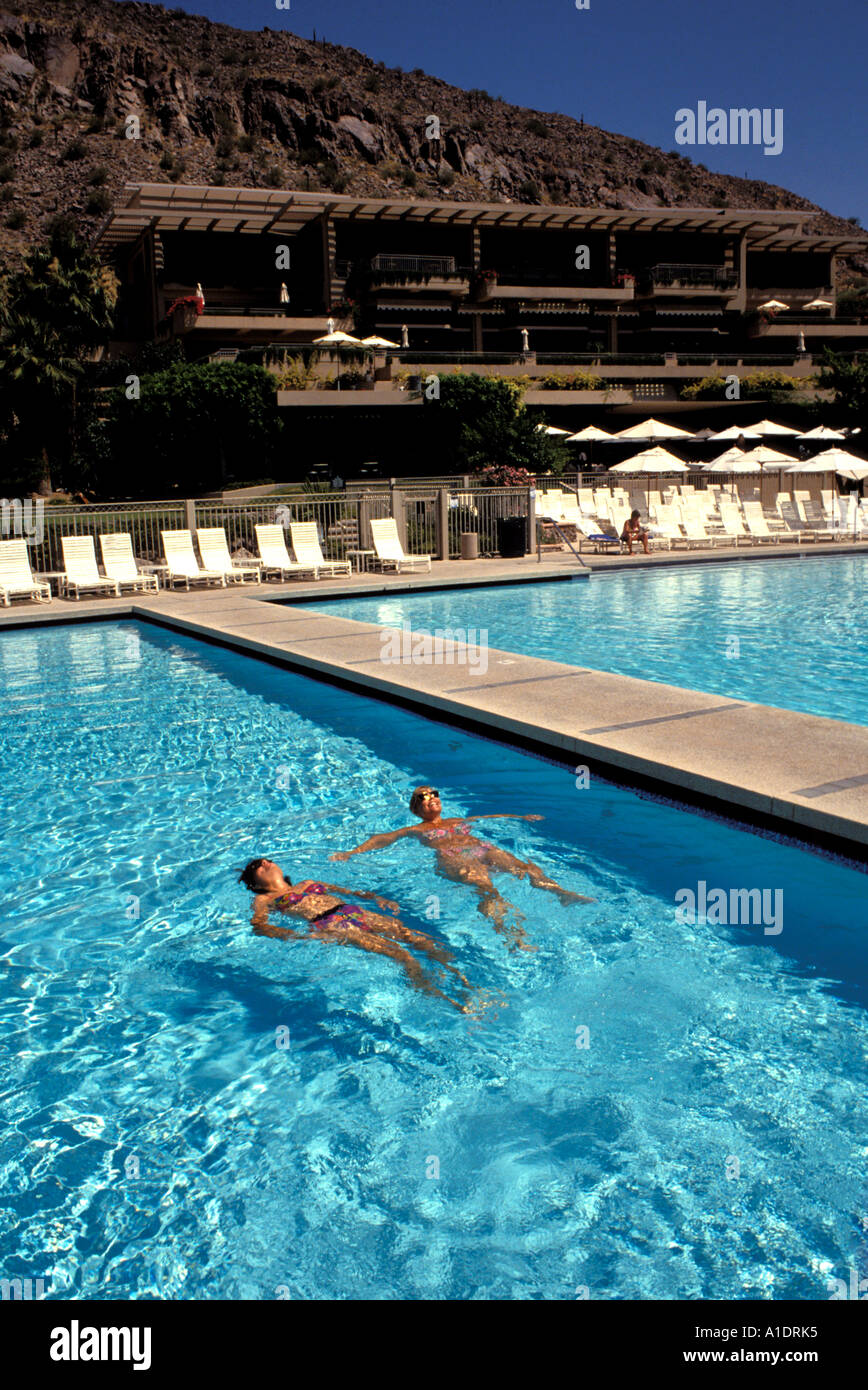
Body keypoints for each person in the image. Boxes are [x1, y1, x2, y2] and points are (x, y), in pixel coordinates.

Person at [330, 787, 592, 950]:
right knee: (486, 888)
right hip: (454, 858)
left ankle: (561, 894)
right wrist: (351, 853)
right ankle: (510, 934)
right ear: (417, 808)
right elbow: (382, 839)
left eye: (434, 794)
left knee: (525, 866)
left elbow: (488, 817)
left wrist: (519, 817)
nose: (431, 798)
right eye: (424, 797)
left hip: (481, 848)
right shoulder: (415, 829)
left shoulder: (457, 820)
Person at [239, 856, 475, 1011]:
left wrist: (378, 898)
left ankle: (467, 984)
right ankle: (446, 1001)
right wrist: (298, 937)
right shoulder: (263, 899)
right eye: (257, 866)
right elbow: (259, 926)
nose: (266, 863)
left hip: (354, 911)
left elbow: (351, 892)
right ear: (255, 882)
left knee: (422, 940)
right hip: (331, 923)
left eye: (267, 860)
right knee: (401, 955)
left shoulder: (309, 881)